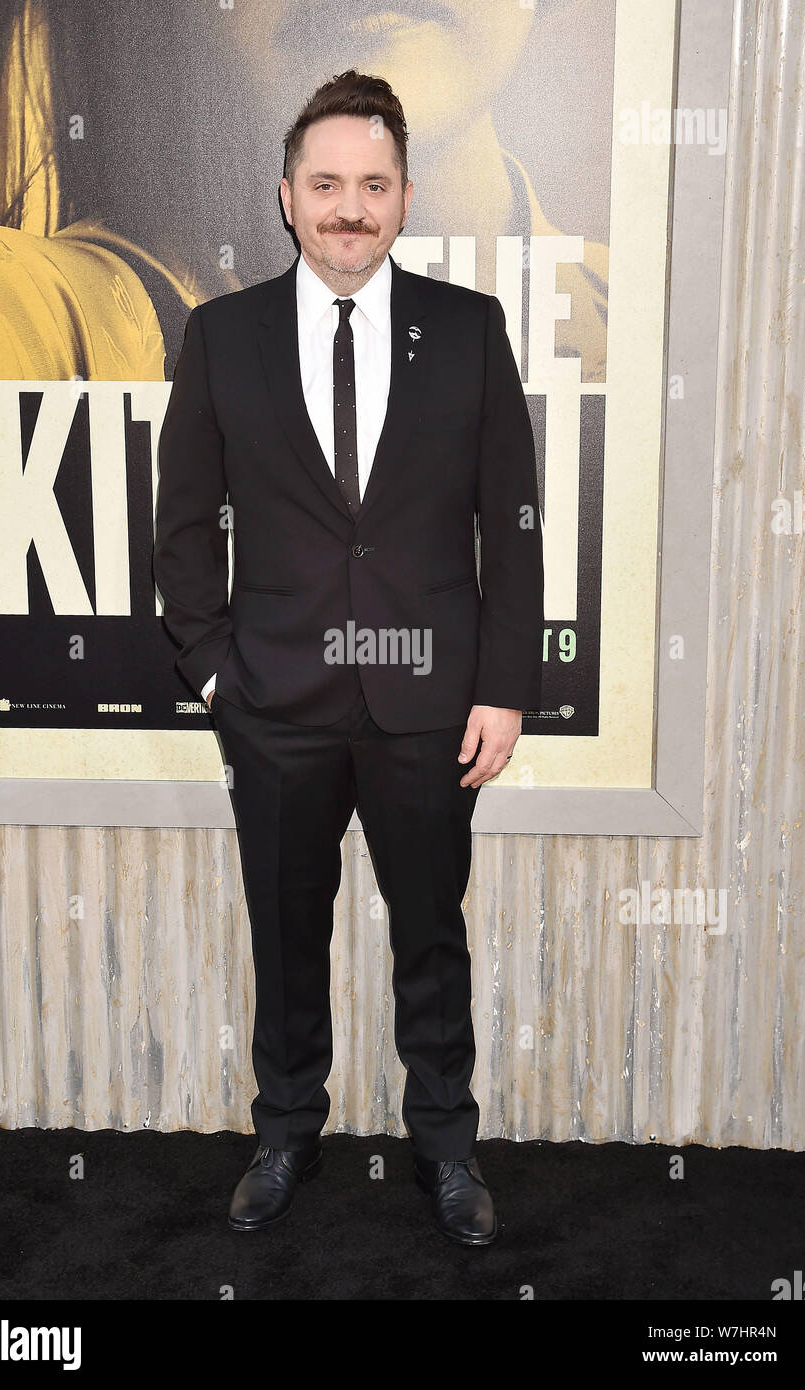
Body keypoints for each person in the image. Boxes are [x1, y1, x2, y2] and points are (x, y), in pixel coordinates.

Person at [152, 70, 544, 1246]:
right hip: (276, 703)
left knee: (432, 936)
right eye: (326, 184)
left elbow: (513, 527)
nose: (349, 207)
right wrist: (219, 675)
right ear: (286, 196)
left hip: (431, 707)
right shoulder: (220, 338)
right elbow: (180, 530)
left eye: (373, 184)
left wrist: (506, 687)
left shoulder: (469, 332)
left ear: (406, 197)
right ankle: (283, 1133)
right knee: (287, 931)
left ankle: (448, 1148)